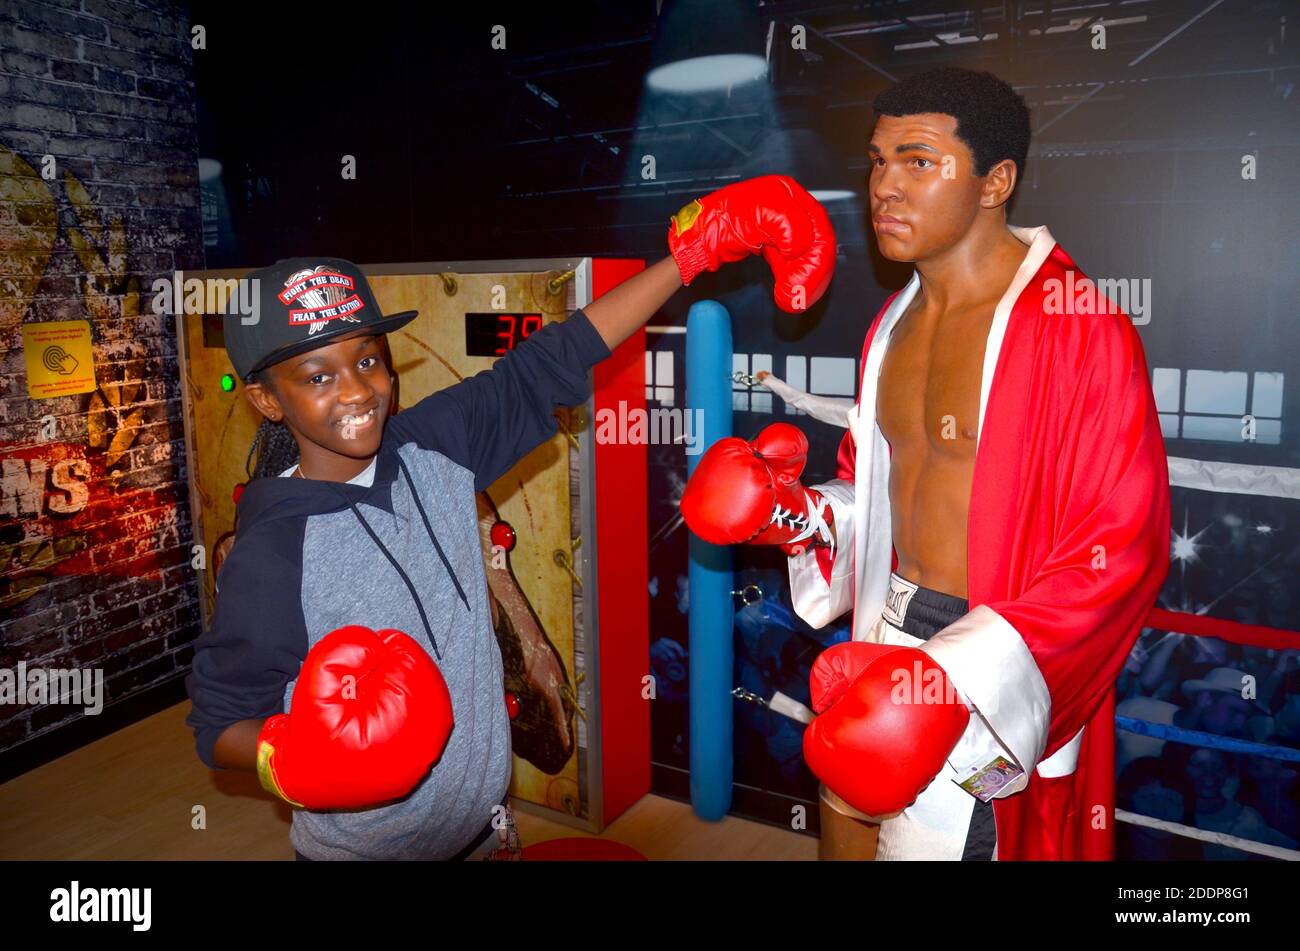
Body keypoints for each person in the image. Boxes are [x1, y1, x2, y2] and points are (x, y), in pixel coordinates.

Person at [184, 176, 836, 860]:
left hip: (488, 833)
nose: (356, 391)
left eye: (367, 359)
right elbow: (219, 723)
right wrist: (293, 761)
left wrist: (689, 258)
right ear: (266, 400)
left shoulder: (435, 444)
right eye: (318, 376)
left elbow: (551, 361)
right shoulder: (276, 552)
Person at [681, 66, 1171, 859]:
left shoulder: (1079, 326)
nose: (885, 185)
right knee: (842, 831)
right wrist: (797, 514)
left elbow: (1122, 547)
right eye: (878, 161)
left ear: (995, 182)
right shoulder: (892, 323)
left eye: (918, 160)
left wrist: (951, 677)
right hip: (879, 632)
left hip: (984, 665)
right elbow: (871, 490)